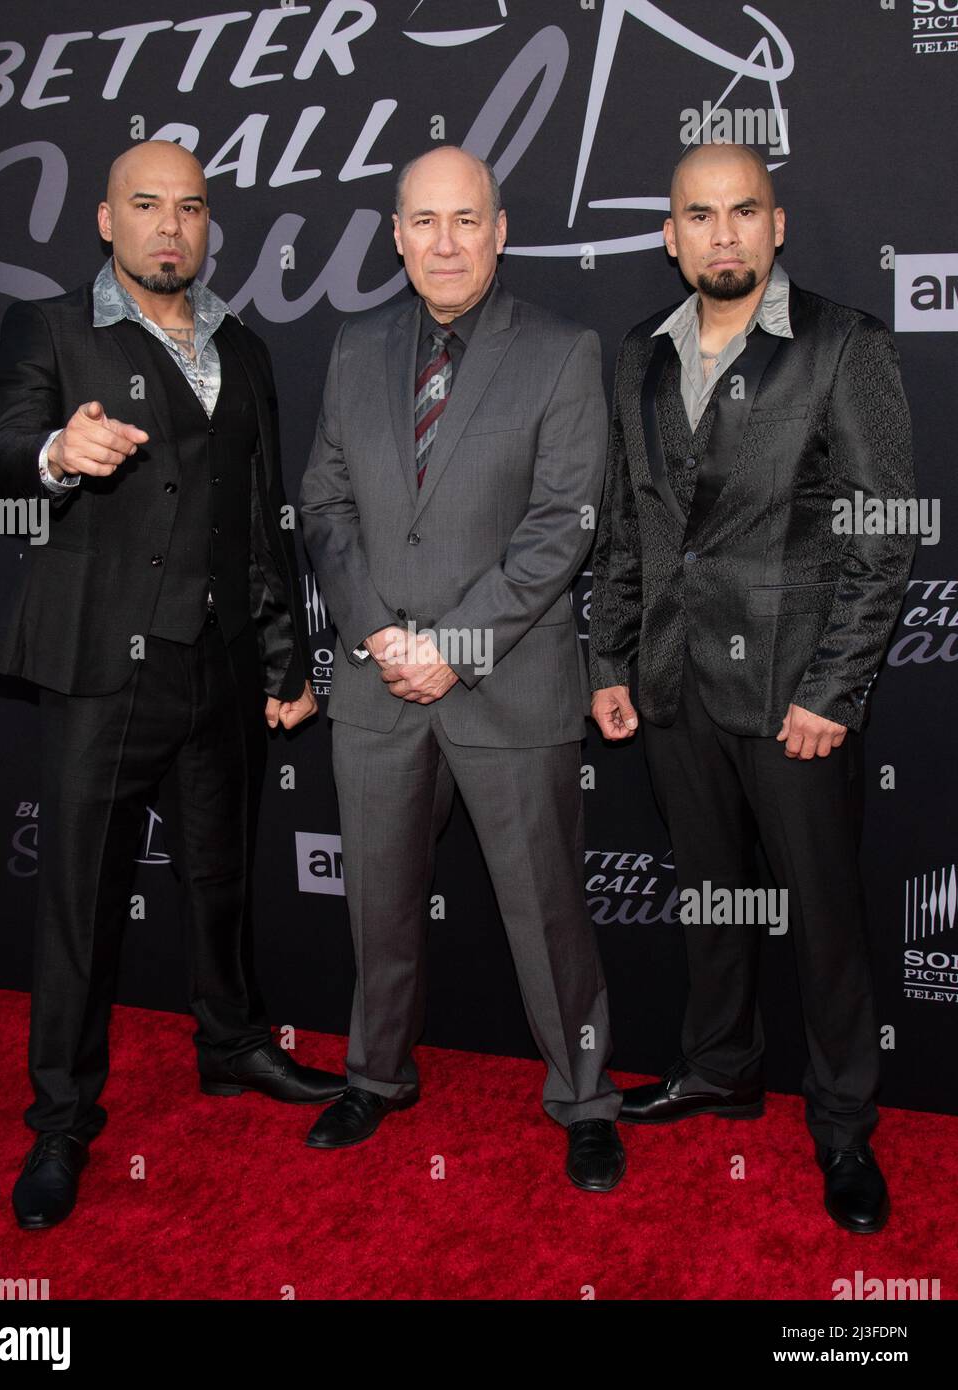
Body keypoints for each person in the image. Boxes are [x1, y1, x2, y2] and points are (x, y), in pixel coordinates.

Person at [0, 140, 345, 1231]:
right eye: (146, 205)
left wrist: (286, 655)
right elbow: (3, 449)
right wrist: (57, 450)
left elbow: (260, 518)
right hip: (101, 667)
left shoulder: (245, 345)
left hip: (220, 661)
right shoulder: (49, 328)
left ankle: (232, 1043)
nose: (169, 226)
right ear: (107, 220)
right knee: (81, 900)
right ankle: (60, 1117)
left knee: (224, 871)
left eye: (189, 207)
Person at [589, 142, 916, 1232]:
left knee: (822, 922)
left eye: (744, 212)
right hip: (675, 683)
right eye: (699, 214)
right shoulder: (639, 351)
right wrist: (611, 659)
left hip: (793, 702)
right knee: (713, 898)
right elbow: (631, 522)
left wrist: (834, 688)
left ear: (776, 227)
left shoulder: (841, 345)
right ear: (668, 234)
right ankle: (721, 1066)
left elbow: (881, 538)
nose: (722, 233)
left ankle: (842, 1126)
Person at [299, 146, 624, 1191]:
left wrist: (453, 646)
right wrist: (376, 632)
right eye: (423, 222)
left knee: (547, 913)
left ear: (497, 231)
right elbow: (325, 504)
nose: (445, 242)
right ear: (396, 235)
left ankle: (581, 1096)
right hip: (375, 683)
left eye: (465, 221)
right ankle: (377, 1073)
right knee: (378, 903)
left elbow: (560, 527)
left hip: (509, 682)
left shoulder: (564, 351)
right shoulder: (355, 347)